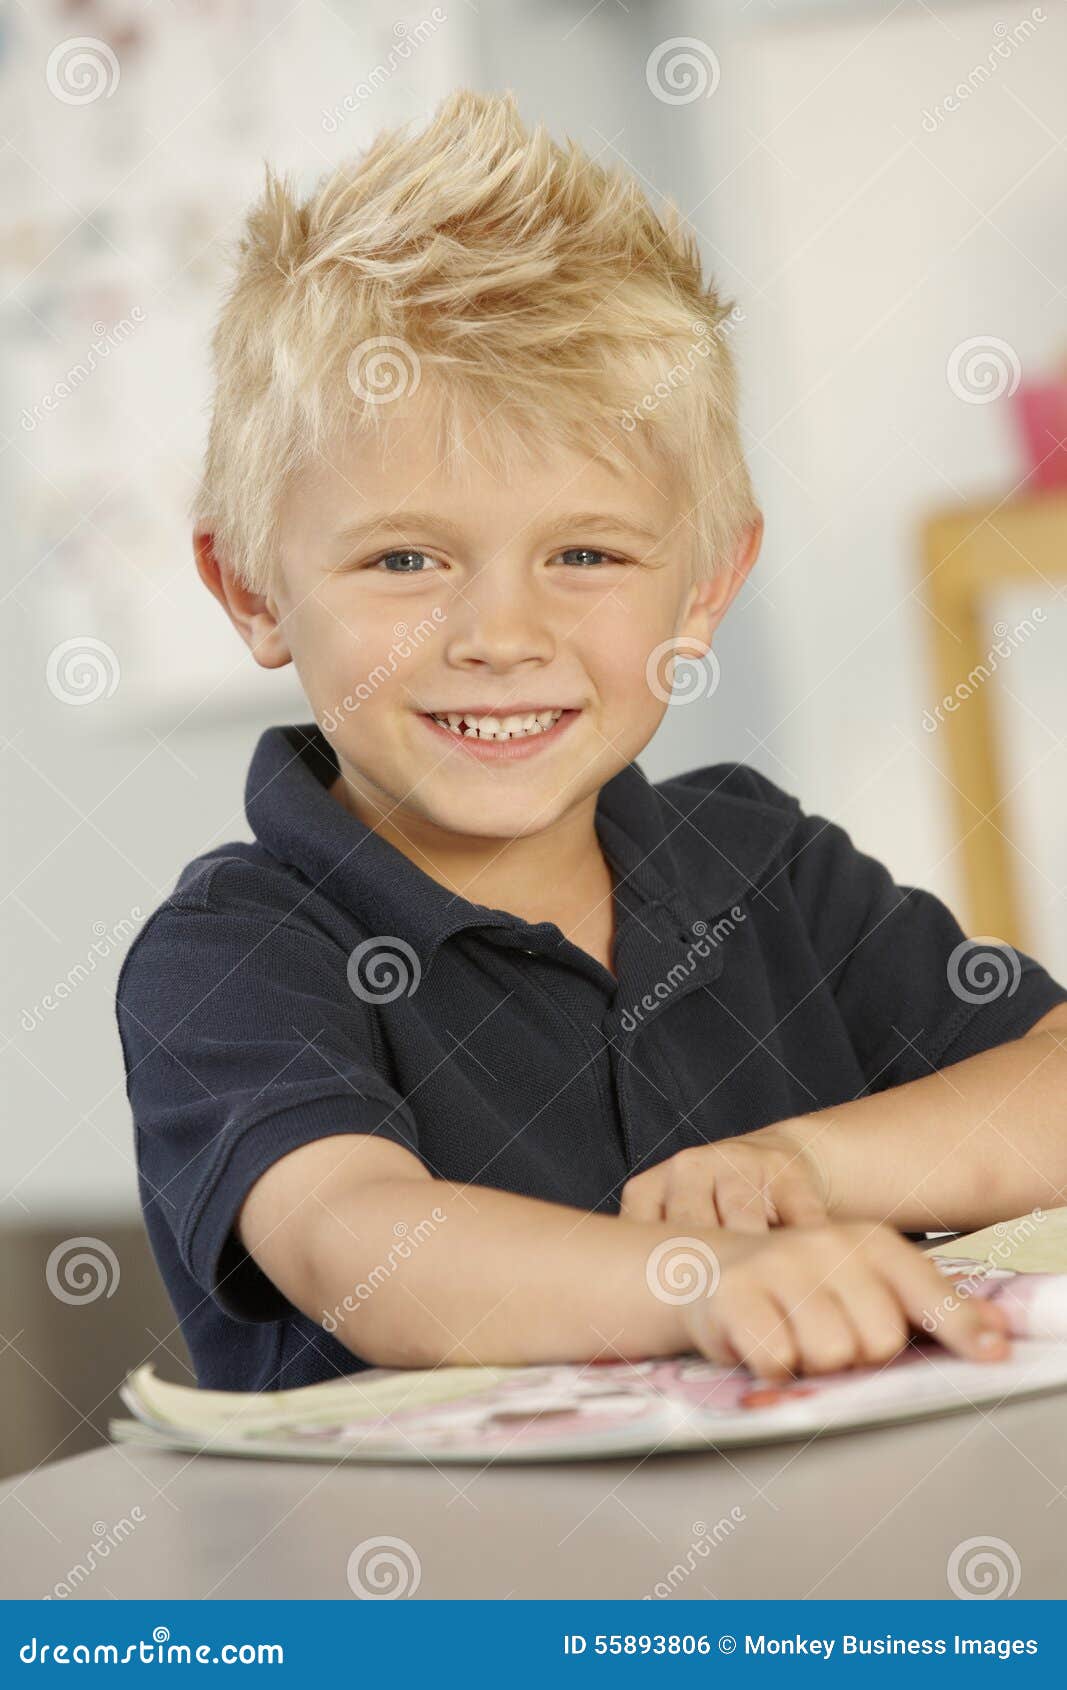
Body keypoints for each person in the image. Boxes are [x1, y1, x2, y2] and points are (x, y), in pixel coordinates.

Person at [116, 90, 1067, 1394]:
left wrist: (803, 1169)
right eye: (405, 556)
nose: (500, 632)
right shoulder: (236, 955)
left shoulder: (763, 866)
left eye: (585, 553)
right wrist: (700, 1279)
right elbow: (362, 1247)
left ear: (704, 586)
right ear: (254, 592)